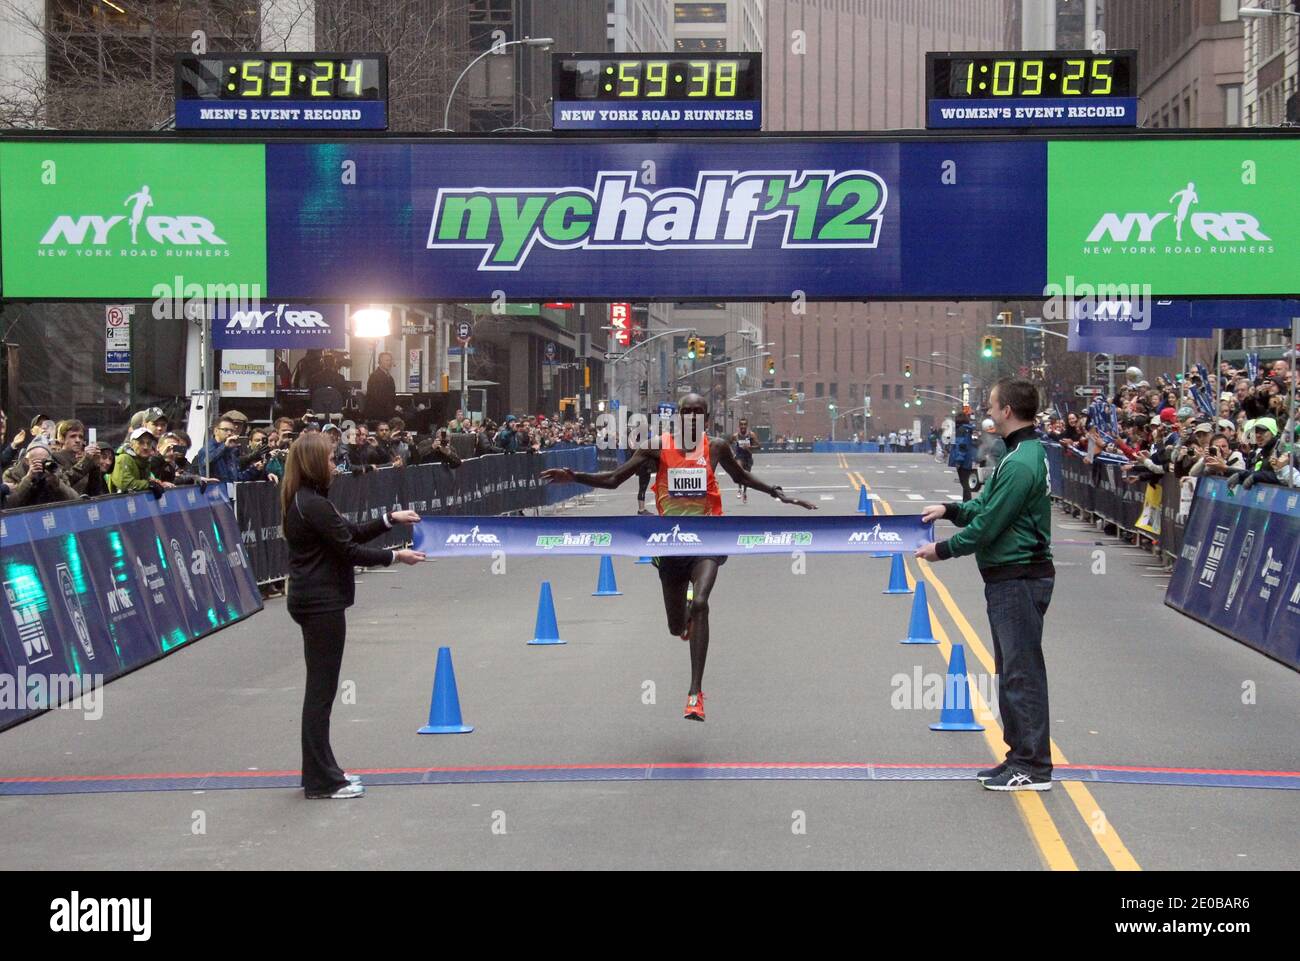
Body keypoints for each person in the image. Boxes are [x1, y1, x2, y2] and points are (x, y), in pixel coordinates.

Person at [540, 393, 816, 721]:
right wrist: (575, 477)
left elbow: (740, 476)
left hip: (708, 538)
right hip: (670, 542)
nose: (691, 417)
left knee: (701, 603)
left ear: (707, 419)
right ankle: (685, 618)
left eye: (698, 412)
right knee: (675, 626)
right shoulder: (656, 447)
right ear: (678, 417)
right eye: (686, 412)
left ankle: (695, 694)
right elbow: (615, 480)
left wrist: (778, 493)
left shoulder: (716, 447)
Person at [916, 379, 1055, 792]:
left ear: (1008, 410)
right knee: (1011, 671)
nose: (987, 412)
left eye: (992, 406)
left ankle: (1032, 765)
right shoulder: (1019, 455)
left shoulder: (1021, 461)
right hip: (1009, 577)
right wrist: (951, 509)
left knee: (1021, 673)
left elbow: (991, 524)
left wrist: (944, 550)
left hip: (1019, 576)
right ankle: (1019, 757)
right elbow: (984, 506)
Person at [281, 432, 425, 800]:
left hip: (316, 600)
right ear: (315, 463)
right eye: (330, 459)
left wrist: (389, 520)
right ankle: (320, 780)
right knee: (321, 692)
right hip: (320, 602)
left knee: (322, 691)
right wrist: (396, 557)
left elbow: (351, 532)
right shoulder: (311, 504)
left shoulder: (311, 501)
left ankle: (323, 770)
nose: (335, 464)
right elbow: (349, 549)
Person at [108, 428, 174, 495]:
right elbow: (125, 483)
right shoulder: (124, 458)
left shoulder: (145, 461)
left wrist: (160, 484)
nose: (145, 447)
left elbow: (144, 482)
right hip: (120, 503)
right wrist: (149, 484)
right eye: (141, 443)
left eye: (148, 443)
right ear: (131, 445)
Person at [729, 418, 761, 503]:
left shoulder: (751, 435)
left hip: (748, 457)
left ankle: (745, 492)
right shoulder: (735, 435)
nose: (743, 426)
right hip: (739, 456)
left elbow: (759, 446)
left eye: (744, 424)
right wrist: (732, 452)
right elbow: (728, 443)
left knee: (746, 476)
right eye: (741, 424)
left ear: (747, 425)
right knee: (739, 470)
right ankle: (739, 489)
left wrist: (750, 447)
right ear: (739, 426)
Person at [948, 413, 978, 501]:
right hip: (969, 459)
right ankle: (967, 501)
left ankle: (967, 503)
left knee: (965, 483)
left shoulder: (961, 430)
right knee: (965, 483)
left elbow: (961, 446)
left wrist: (958, 461)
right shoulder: (968, 429)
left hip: (963, 461)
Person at [363, 352, 398, 421]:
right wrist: (394, 408)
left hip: (386, 409)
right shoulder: (375, 377)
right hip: (378, 411)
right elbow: (378, 397)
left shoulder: (389, 377)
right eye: (387, 360)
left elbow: (391, 395)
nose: (389, 363)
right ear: (380, 362)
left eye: (390, 360)